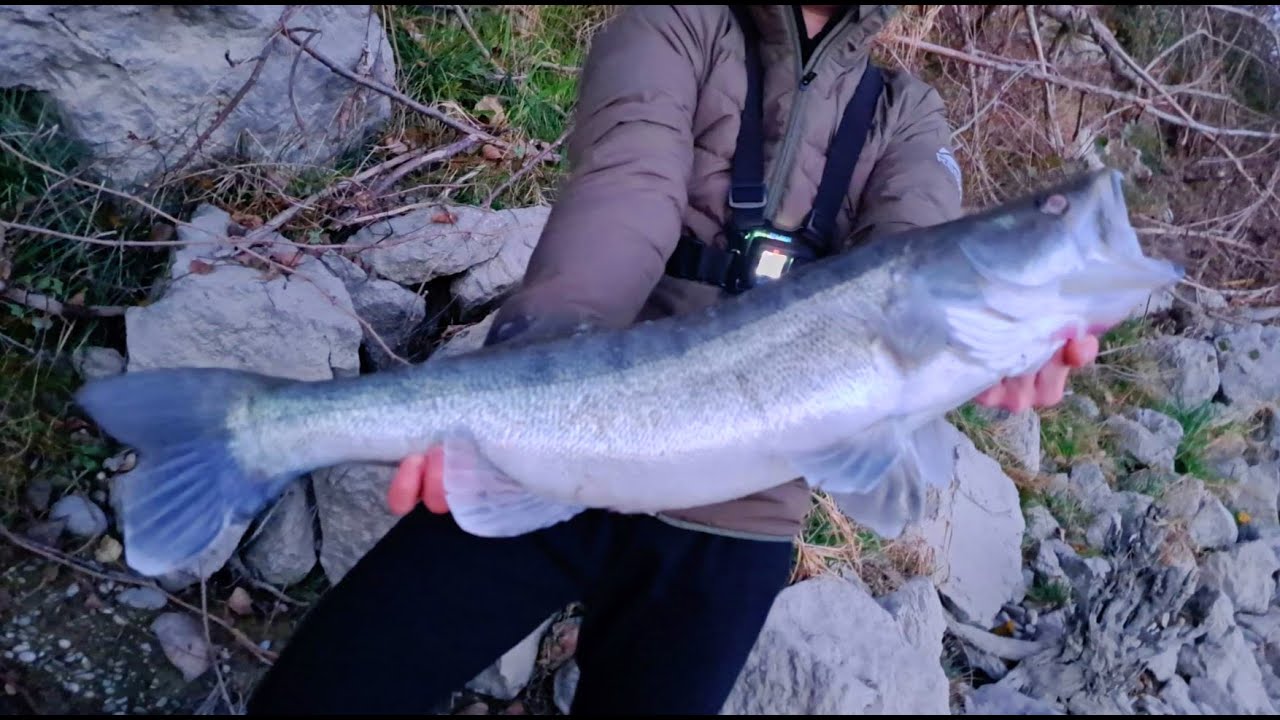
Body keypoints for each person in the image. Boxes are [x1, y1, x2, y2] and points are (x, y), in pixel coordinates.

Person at [246, 5, 1098, 715]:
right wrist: (517, 383)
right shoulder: (676, 23)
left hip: (740, 521)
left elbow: (911, 267)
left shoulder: (905, 115)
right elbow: (622, 201)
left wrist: (985, 354)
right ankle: (249, 433)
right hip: (549, 450)